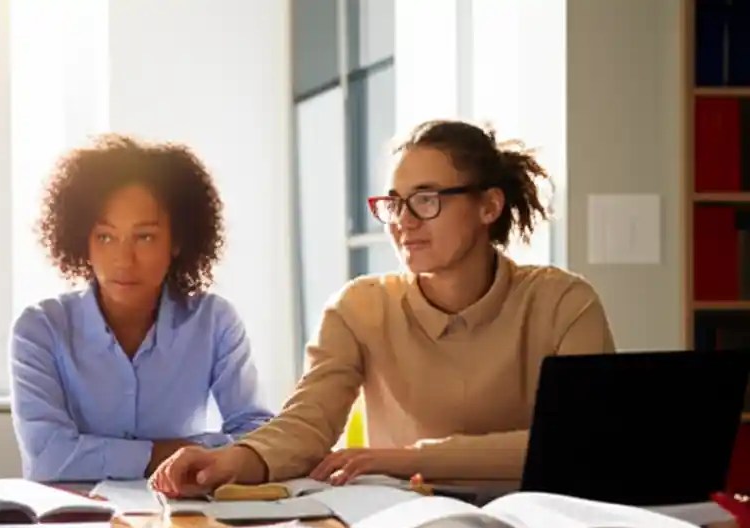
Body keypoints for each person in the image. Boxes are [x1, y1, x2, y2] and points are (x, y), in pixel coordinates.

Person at [153, 119, 615, 497]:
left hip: (542, 525)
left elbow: (582, 440)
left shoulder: (564, 303)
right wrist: (231, 461)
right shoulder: (361, 307)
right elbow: (307, 423)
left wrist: (413, 457)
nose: (404, 222)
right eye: (394, 204)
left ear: (488, 206)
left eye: (426, 200)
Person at [11, 134, 273, 481]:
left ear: (177, 241)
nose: (123, 259)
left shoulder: (214, 322)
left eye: (145, 237)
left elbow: (257, 439)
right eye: (106, 237)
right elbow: (49, 458)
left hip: (180, 519)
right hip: (72, 524)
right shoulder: (40, 330)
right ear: (82, 241)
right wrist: (188, 452)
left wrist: (94, 452)